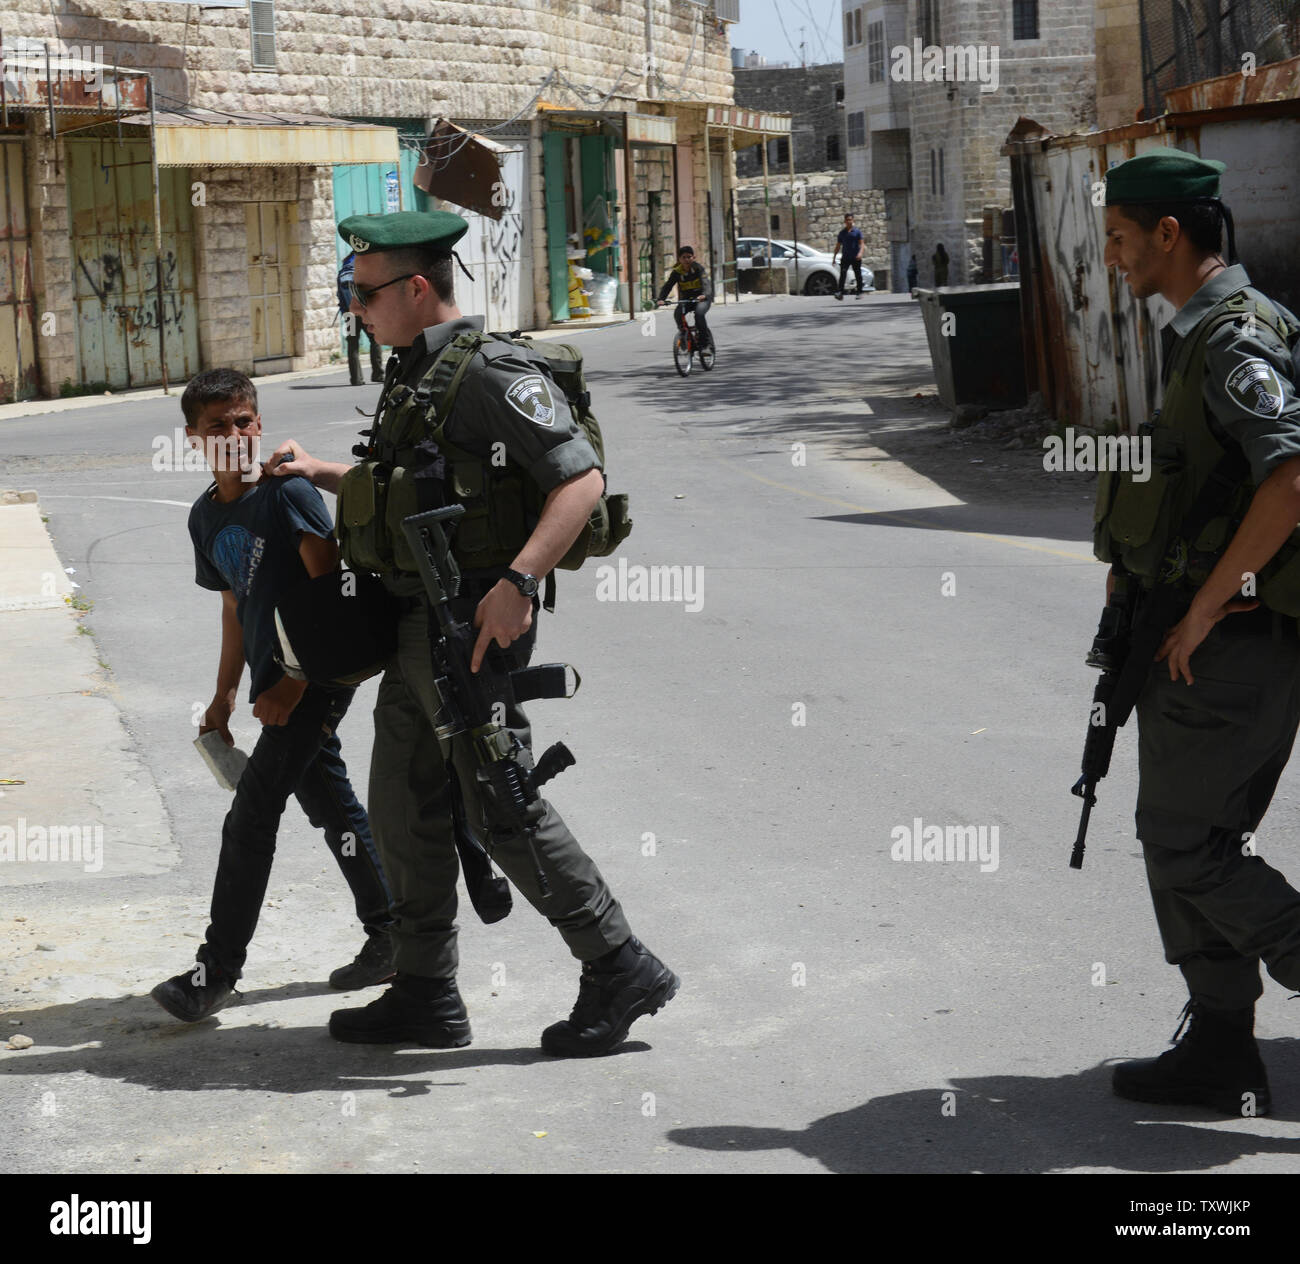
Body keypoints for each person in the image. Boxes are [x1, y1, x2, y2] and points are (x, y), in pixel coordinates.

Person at [270, 210, 679, 1056]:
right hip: (418, 621)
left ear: (417, 289)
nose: (357, 307)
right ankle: (424, 990)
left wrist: (520, 583)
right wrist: (326, 473)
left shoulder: (492, 371)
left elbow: (581, 482)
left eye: (367, 291)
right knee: (401, 804)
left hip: (472, 623)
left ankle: (618, 963)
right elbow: (410, 486)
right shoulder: (418, 372)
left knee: (500, 802)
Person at [1094, 148, 1300, 1115]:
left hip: (1233, 646)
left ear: (1170, 236)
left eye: (1123, 241)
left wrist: (1214, 601)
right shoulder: (1197, 330)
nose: (1115, 260)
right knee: (1180, 834)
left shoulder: (1228, 337)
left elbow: (1291, 477)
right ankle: (1221, 1041)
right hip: (1196, 639)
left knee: (1187, 847)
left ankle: (1227, 1032)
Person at [151, 368, 395, 1023]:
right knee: (332, 806)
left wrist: (291, 682)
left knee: (251, 816)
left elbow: (334, 593)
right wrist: (224, 695)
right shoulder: (207, 515)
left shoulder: (286, 496)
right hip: (270, 685)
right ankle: (390, 933)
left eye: (244, 422)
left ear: (257, 425)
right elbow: (234, 607)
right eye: (217, 426)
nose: (233, 435)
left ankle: (214, 971)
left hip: (317, 677)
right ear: (192, 439)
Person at [338, 251, 385, 386]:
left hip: (349, 314)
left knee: (352, 345)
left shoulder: (343, 270)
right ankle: (378, 374)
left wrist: (345, 312)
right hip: (364, 312)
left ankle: (356, 379)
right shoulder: (361, 267)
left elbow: (340, 295)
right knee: (374, 340)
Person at [656, 245, 713, 349]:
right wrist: (661, 299)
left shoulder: (698, 269)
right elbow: (668, 286)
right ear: (679, 259)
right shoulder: (677, 272)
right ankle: (683, 336)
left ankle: (705, 344)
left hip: (702, 299)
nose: (686, 260)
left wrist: (704, 295)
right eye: (683, 257)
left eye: (689, 257)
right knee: (678, 313)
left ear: (693, 258)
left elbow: (706, 284)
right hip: (687, 300)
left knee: (699, 315)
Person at [832, 213, 865, 300]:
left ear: (853, 220)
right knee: (843, 274)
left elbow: (862, 244)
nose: (849, 221)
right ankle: (840, 292)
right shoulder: (842, 233)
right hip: (845, 257)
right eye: (847, 220)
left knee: (858, 274)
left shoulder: (857, 232)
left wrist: (860, 253)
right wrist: (834, 258)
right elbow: (838, 246)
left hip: (855, 257)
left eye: (850, 220)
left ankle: (859, 292)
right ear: (845, 221)